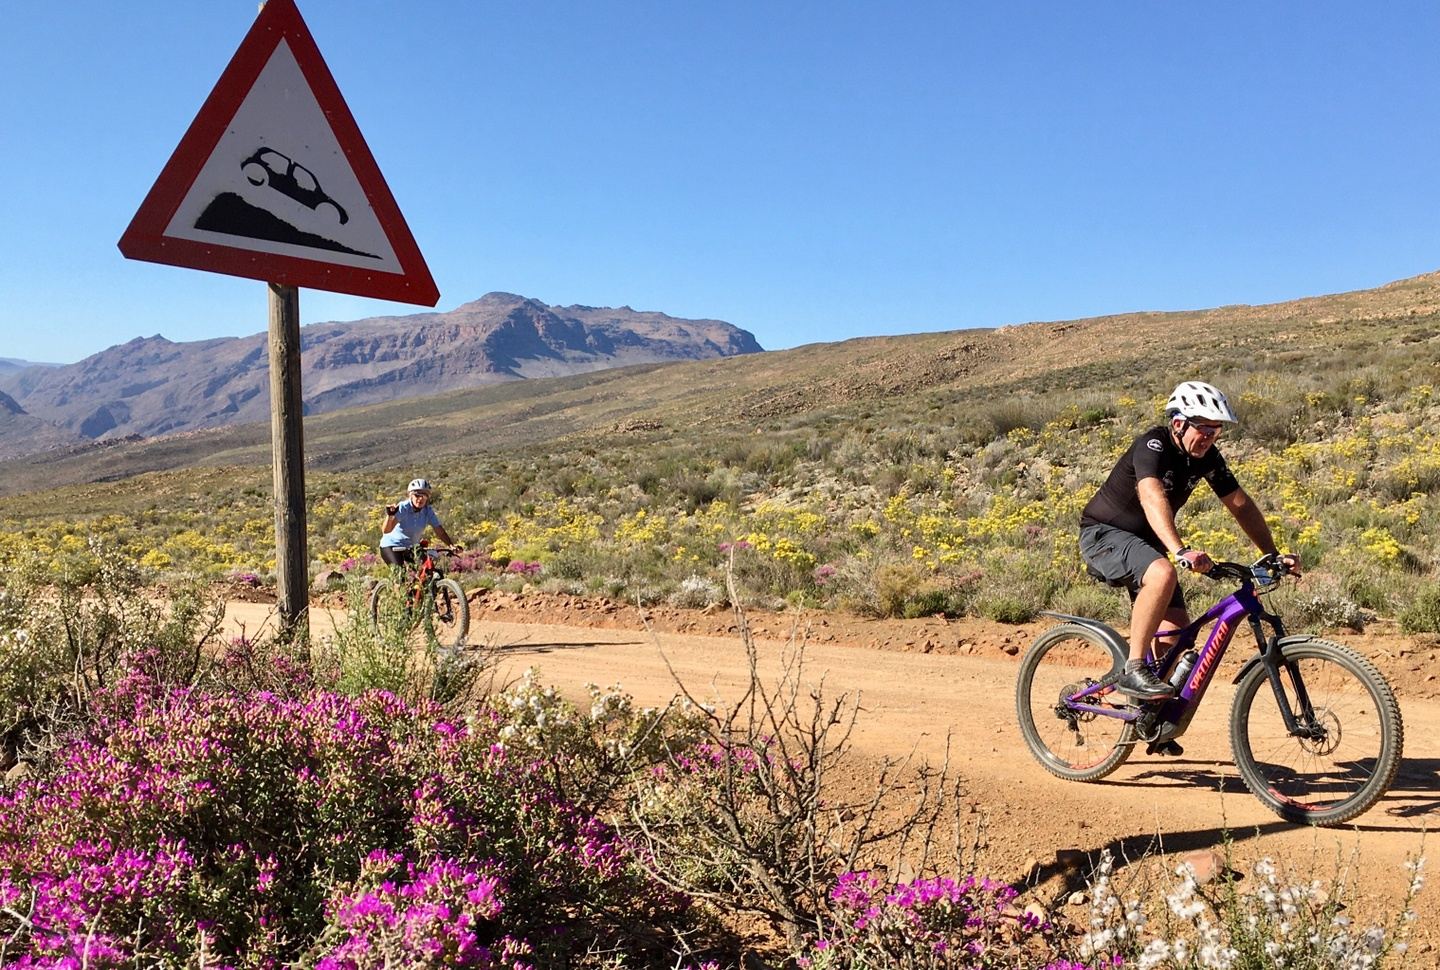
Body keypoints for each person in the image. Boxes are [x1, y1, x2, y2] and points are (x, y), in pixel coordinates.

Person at [1079, 381, 1300, 705]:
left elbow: (1239, 504)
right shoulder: (1152, 445)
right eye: (1204, 429)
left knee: (1176, 637)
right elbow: (1151, 495)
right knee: (1163, 573)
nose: (1210, 437)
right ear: (1178, 423)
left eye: (1216, 430)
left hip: (1145, 544)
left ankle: (1144, 713)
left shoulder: (1206, 457)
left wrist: (1272, 555)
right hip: (1104, 533)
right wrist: (1179, 550)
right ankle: (1133, 668)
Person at [379, 478, 456, 565]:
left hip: (411, 547)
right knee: (399, 571)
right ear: (410, 496)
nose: (420, 499)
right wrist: (390, 516)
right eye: (417, 495)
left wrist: (451, 545)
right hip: (392, 546)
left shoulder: (428, 511)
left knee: (427, 567)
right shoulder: (403, 508)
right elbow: (386, 531)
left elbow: (439, 531)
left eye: (424, 496)